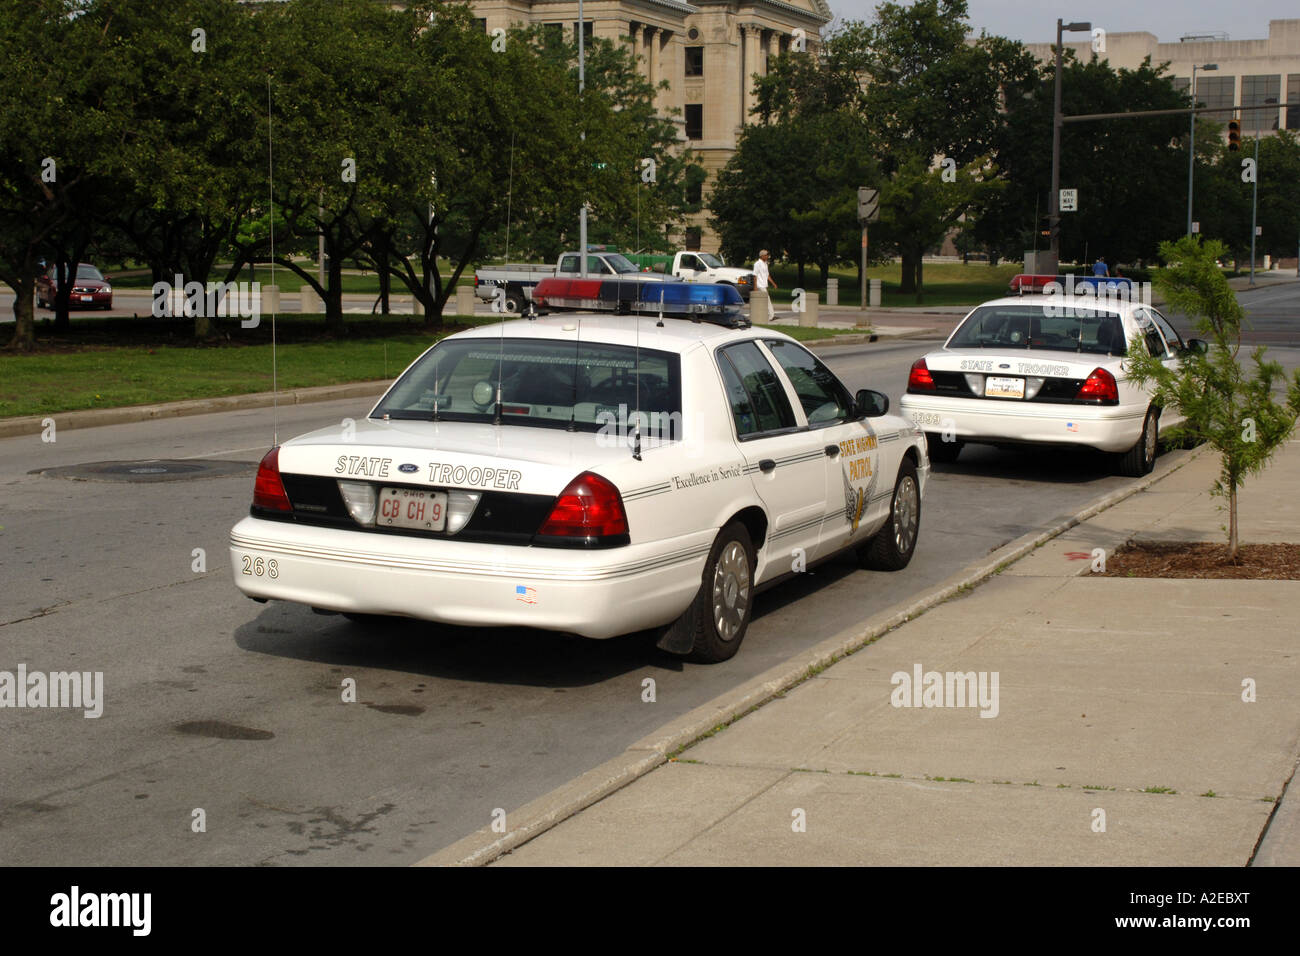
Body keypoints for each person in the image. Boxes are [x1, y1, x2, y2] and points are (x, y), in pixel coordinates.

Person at [752, 249, 777, 322]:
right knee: (767, 300)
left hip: (764, 284)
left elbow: (767, 275)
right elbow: (755, 276)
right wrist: (755, 287)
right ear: (762, 256)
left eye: (767, 255)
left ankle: (759, 315)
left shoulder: (765, 263)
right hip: (760, 285)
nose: (767, 256)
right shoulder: (757, 264)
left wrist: (773, 283)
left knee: (761, 301)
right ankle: (771, 316)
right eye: (766, 255)